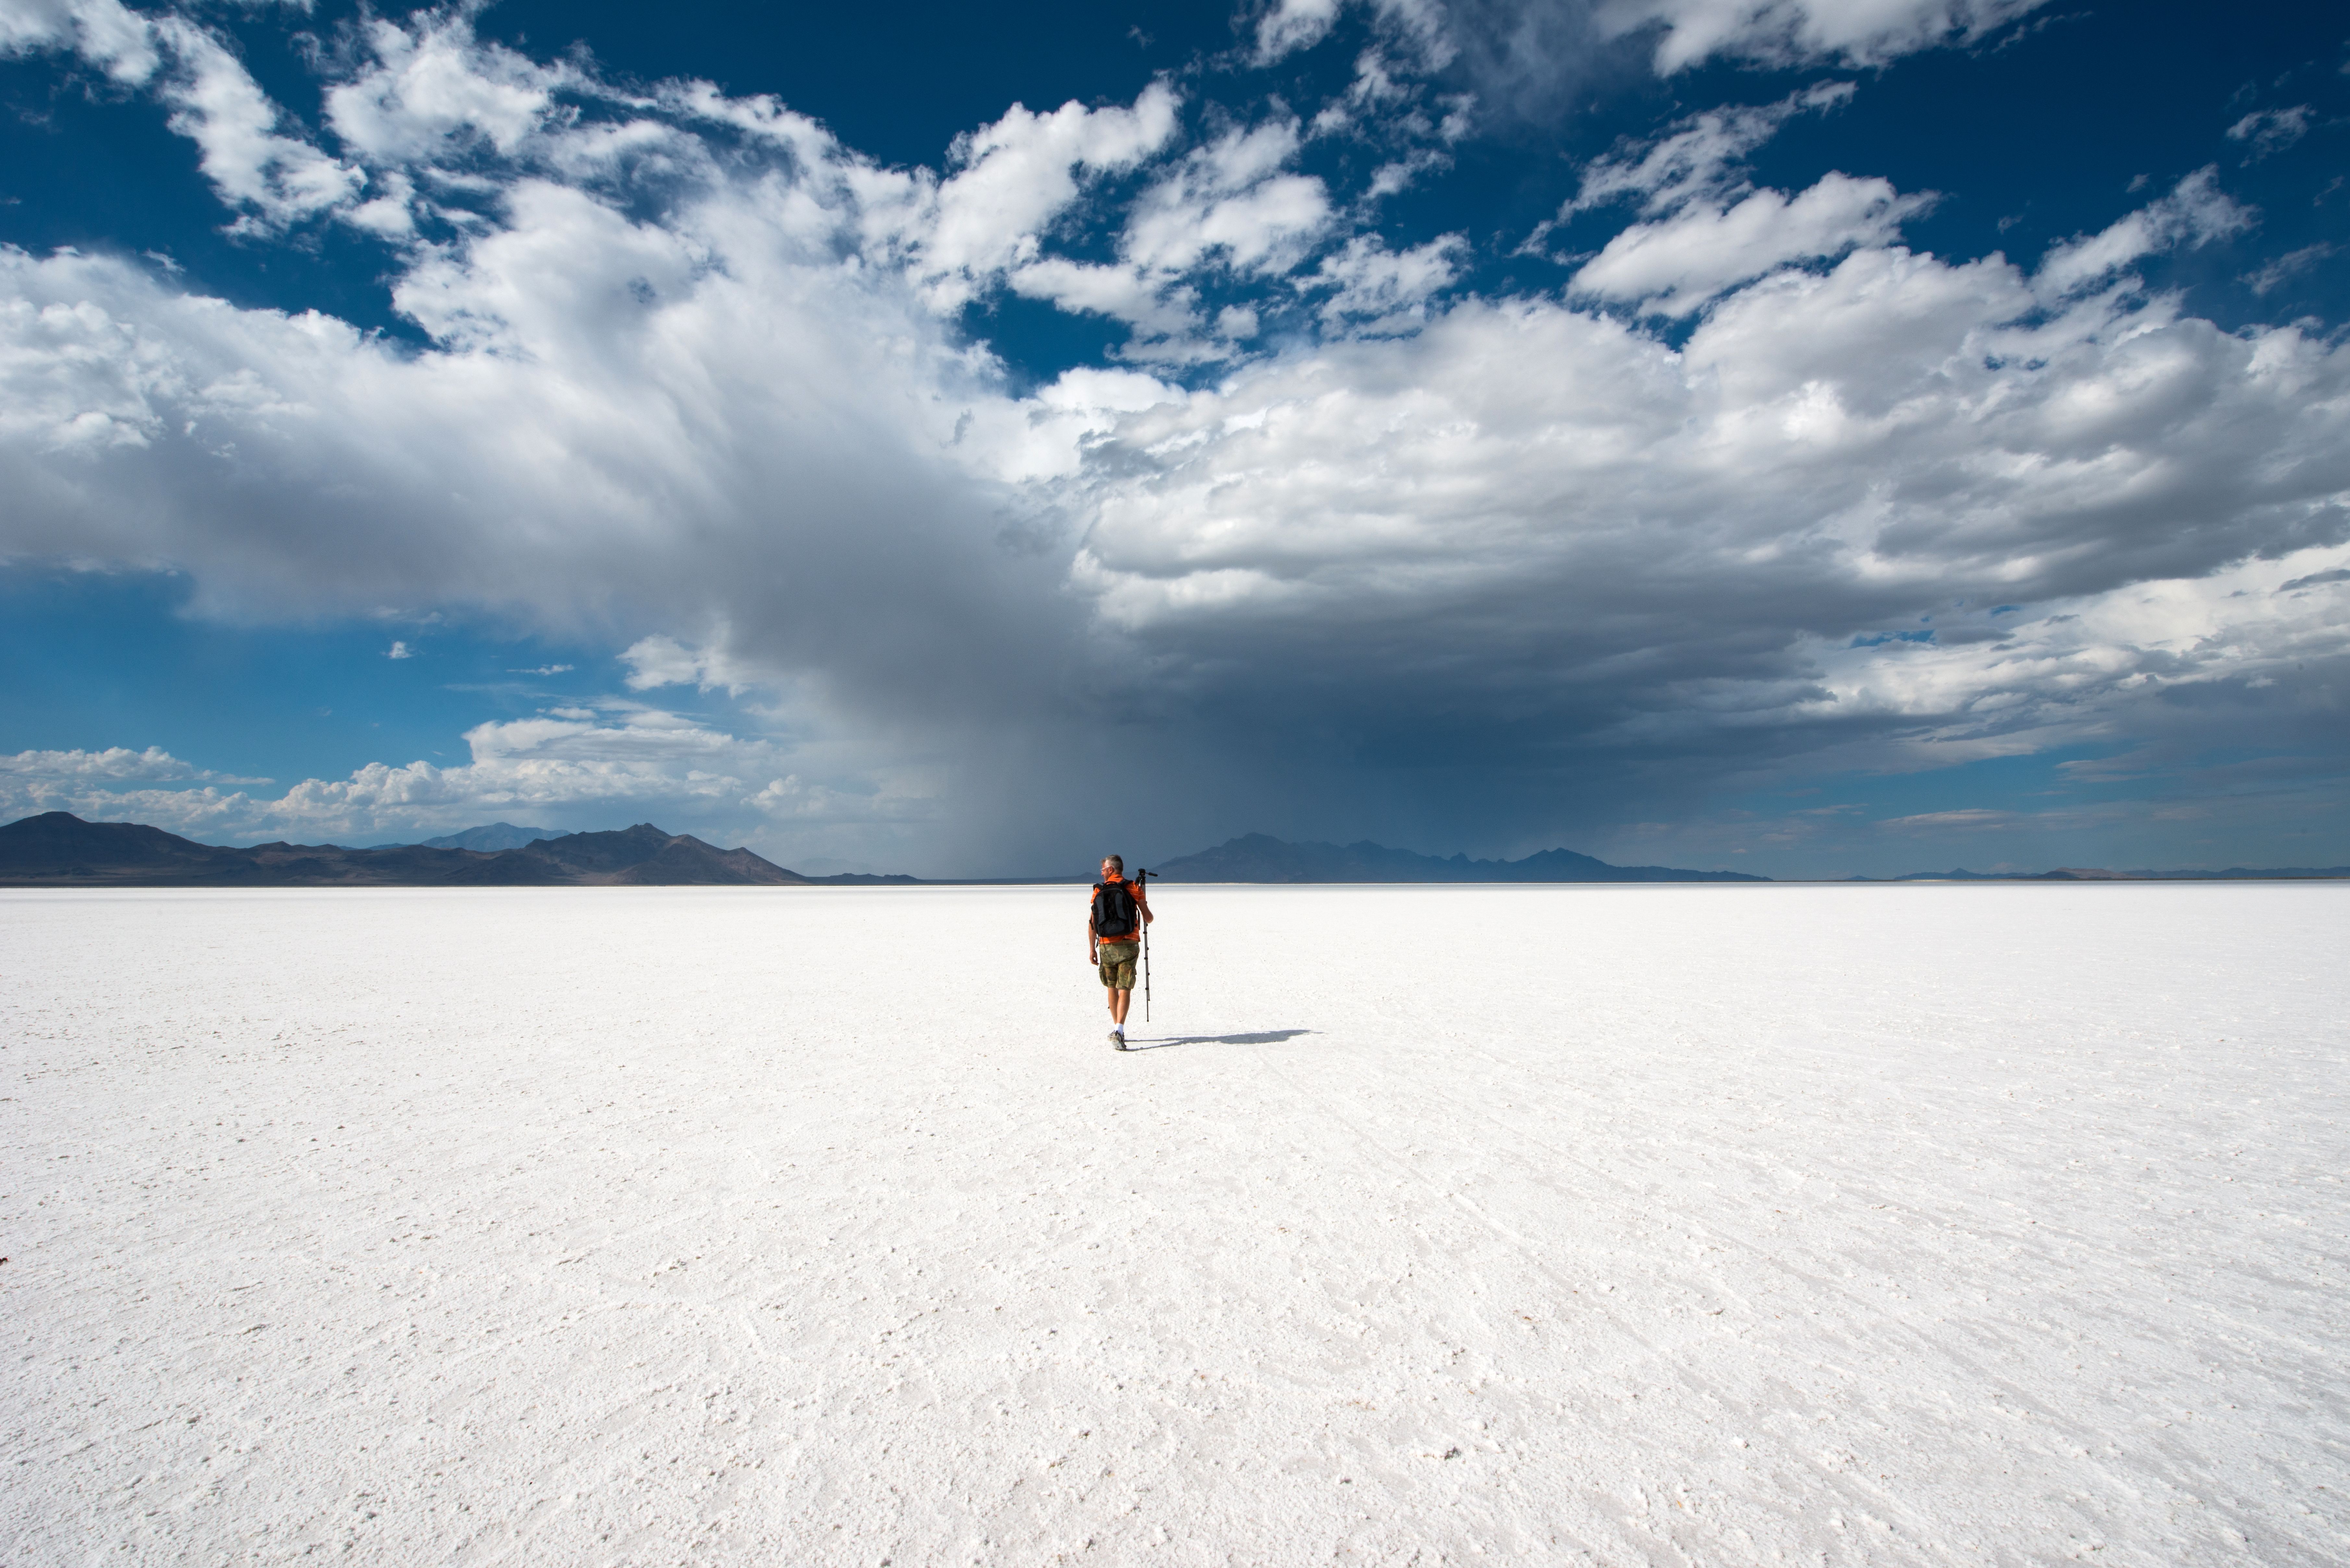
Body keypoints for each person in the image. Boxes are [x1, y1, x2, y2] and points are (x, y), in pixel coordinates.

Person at [1088, 854, 1154, 1049]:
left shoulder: (1098, 890)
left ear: (1111, 869)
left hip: (1107, 946)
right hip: (1129, 944)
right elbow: (1148, 918)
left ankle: (1116, 1029)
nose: (1102, 873)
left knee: (1112, 986)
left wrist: (1092, 948)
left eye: (1103, 870)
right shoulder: (1134, 888)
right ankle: (1120, 1029)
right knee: (1125, 986)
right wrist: (1143, 896)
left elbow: (1092, 923)